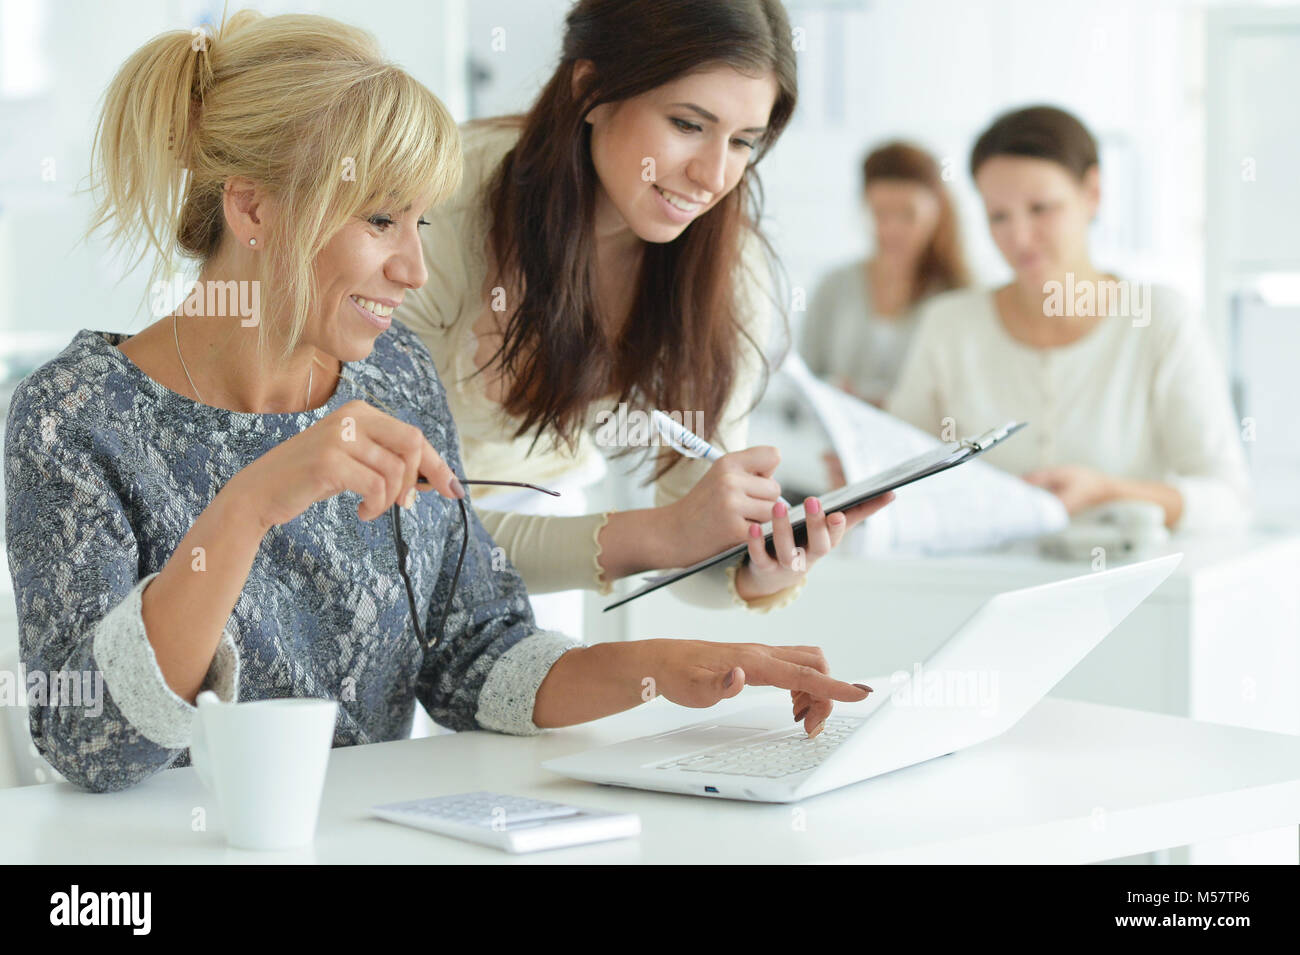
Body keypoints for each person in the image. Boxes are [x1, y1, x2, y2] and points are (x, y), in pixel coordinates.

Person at [2, 11, 875, 793]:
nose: (416, 270)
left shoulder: (396, 375)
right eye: (381, 220)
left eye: (422, 224)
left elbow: (477, 653)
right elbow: (91, 746)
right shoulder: (74, 415)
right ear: (254, 207)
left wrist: (671, 667)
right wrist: (250, 505)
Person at [401, 0, 892, 625]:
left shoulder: (726, 267)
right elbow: (389, 512)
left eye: (743, 141)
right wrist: (661, 534)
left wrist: (756, 569)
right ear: (591, 89)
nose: (713, 176)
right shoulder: (440, 206)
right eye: (688, 124)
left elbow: (690, 559)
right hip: (372, 555)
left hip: (537, 576)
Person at [887, 105, 1250, 531]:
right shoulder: (948, 326)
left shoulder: (1159, 319)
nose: (1019, 237)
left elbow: (1228, 501)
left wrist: (1110, 492)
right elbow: (900, 471)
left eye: (1041, 208)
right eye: (998, 216)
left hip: (1129, 587)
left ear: (1092, 193)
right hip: (975, 585)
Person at [800, 141, 969, 407]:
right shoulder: (834, 285)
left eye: (908, 215)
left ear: (938, 211)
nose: (891, 229)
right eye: (880, 214)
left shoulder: (962, 295)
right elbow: (803, 380)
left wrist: (895, 406)